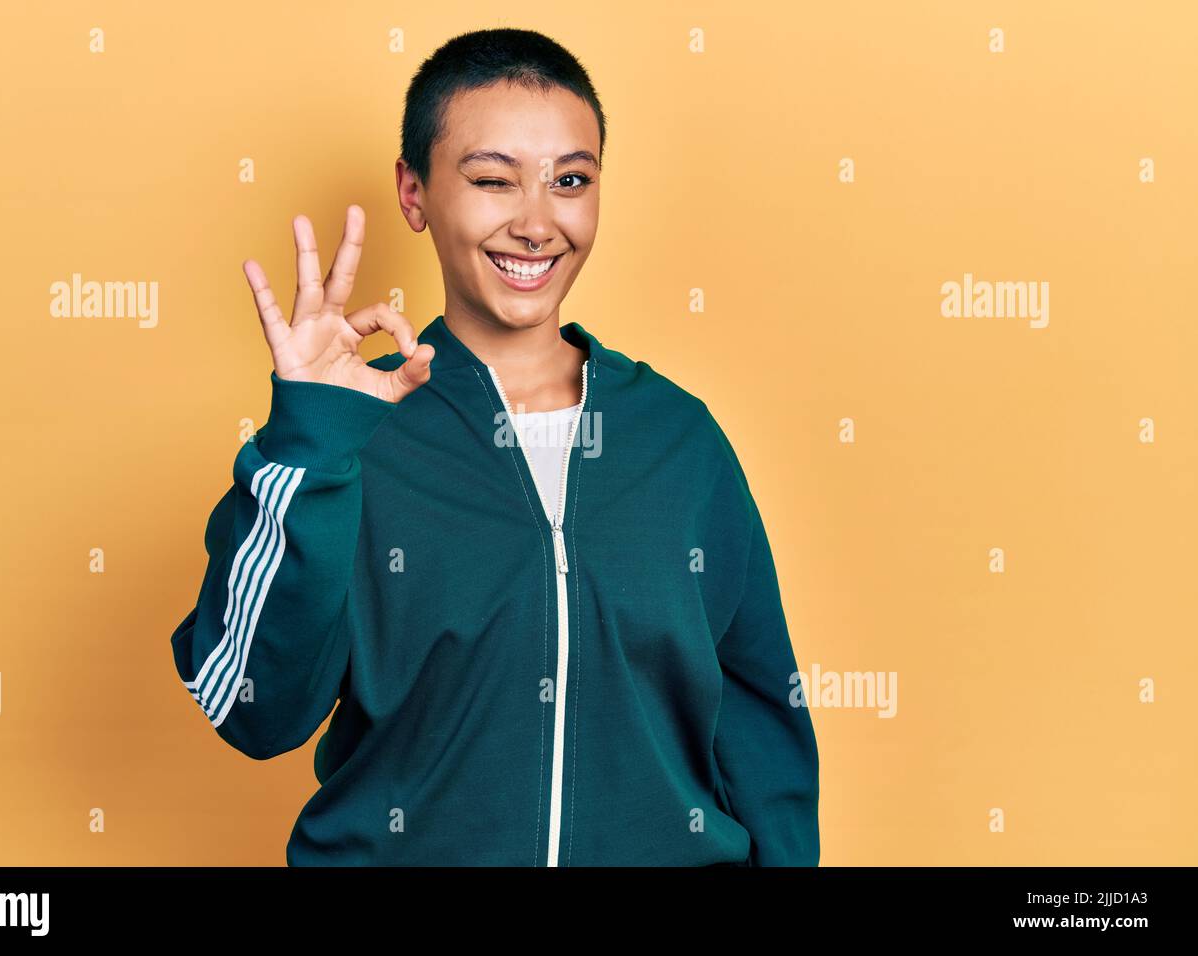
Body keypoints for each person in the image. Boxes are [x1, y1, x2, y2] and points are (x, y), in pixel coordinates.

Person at [169, 27, 819, 866]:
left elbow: (763, 727)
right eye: (492, 180)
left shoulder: (679, 440)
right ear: (415, 193)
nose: (537, 223)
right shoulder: (353, 438)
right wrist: (310, 440)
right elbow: (252, 710)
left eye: (571, 181)